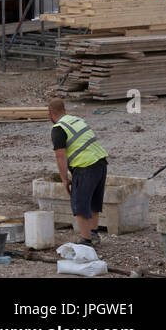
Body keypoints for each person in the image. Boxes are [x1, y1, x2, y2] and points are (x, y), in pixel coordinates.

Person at [48, 99, 109, 246]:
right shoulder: (77, 120)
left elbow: (60, 156)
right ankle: (93, 234)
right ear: (64, 110)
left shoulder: (58, 128)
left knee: (80, 204)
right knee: (94, 201)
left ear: (50, 114)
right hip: (100, 162)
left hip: (85, 167)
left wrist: (64, 179)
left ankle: (86, 241)